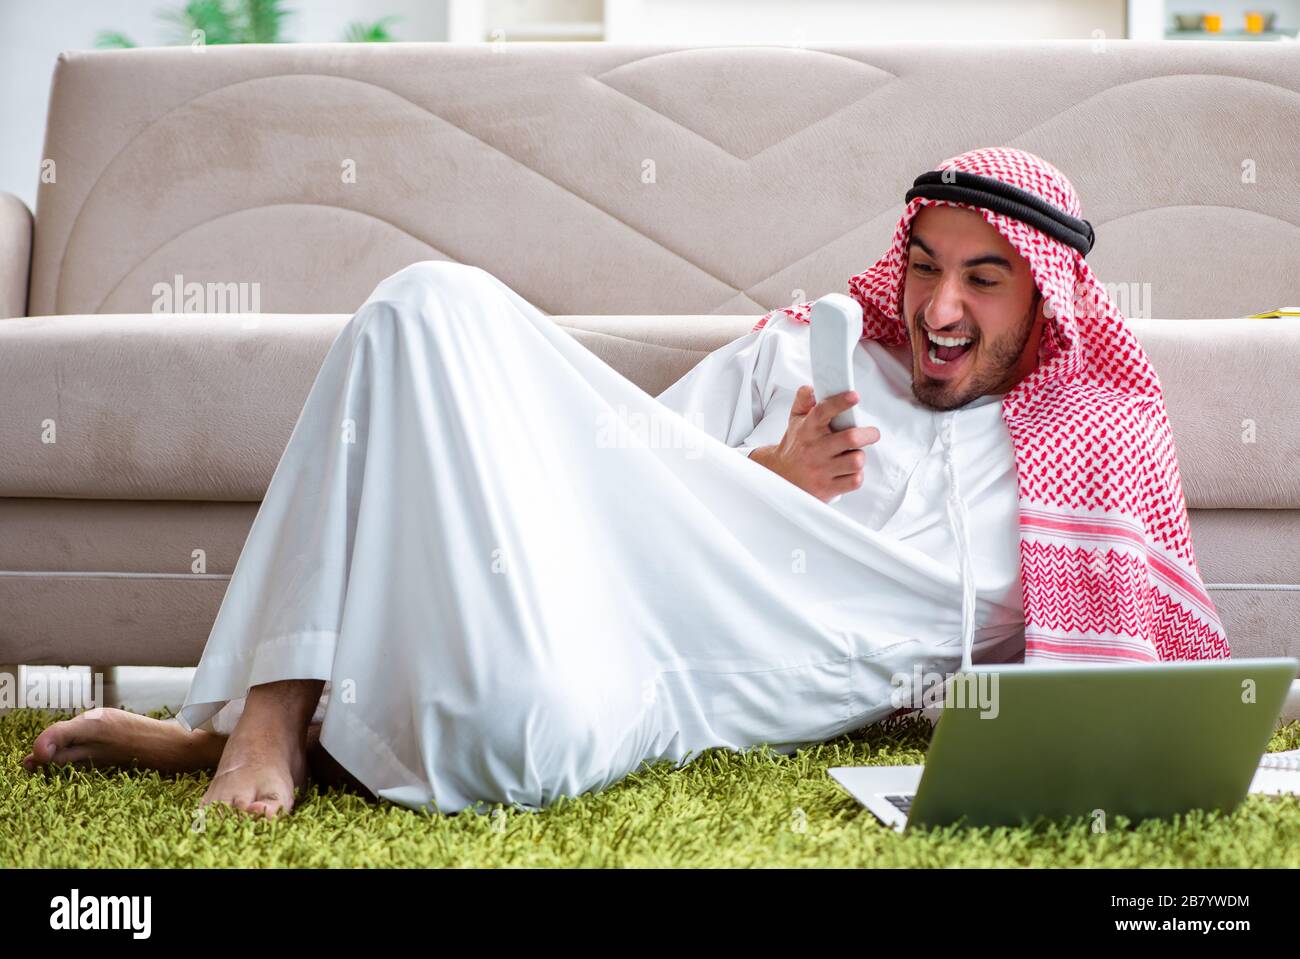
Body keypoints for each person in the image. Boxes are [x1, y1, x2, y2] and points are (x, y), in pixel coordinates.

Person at [22, 146, 1227, 819]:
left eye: (982, 280)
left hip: (627, 703)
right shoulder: (804, 354)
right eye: (922, 266)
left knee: (494, 744)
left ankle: (258, 735)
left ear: (1047, 308)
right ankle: (265, 718)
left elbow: (1129, 683)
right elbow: (593, 488)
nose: (938, 307)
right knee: (420, 303)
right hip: (596, 590)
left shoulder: (1086, 457)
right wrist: (769, 475)